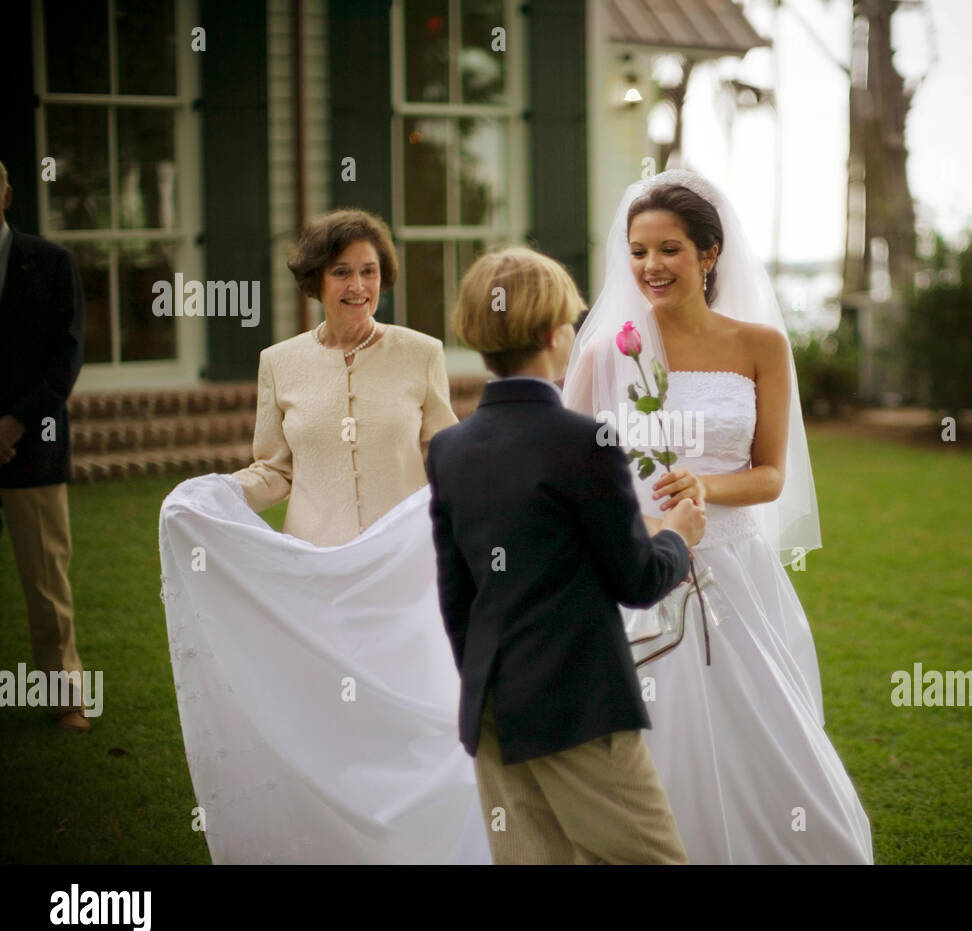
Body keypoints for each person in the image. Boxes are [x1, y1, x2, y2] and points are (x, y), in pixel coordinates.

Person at [159, 209, 488, 863]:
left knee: (414, 717)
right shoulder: (278, 363)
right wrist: (211, 497)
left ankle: (415, 843)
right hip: (317, 576)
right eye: (343, 272)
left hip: (405, 574)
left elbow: (447, 454)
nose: (358, 286)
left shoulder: (420, 354)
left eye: (369, 271)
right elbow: (274, 470)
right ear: (316, 280)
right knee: (333, 725)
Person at [563, 169, 873, 863]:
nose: (650, 267)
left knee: (766, 730)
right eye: (639, 251)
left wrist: (703, 485)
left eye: (668, 249)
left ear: (709, 254)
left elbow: (769, 475)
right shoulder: (609, 352)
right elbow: (569, 468)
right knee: (649, 730)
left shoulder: (760, 345)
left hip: (734, 568)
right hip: (637, 571)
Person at [428, 246, 706, 864]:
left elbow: (457, 599)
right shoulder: (587, 441)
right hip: (578, 701)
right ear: (557, 337)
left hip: (492, 703)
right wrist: (678, 535)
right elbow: (636, 579)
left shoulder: (450, 448)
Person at [0, 158, 91, 733]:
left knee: (46, 580)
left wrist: (13, 424)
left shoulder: (51, 263)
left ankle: (67, 698)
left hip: (33, 447)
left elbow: (68, 354)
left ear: (6, 193)